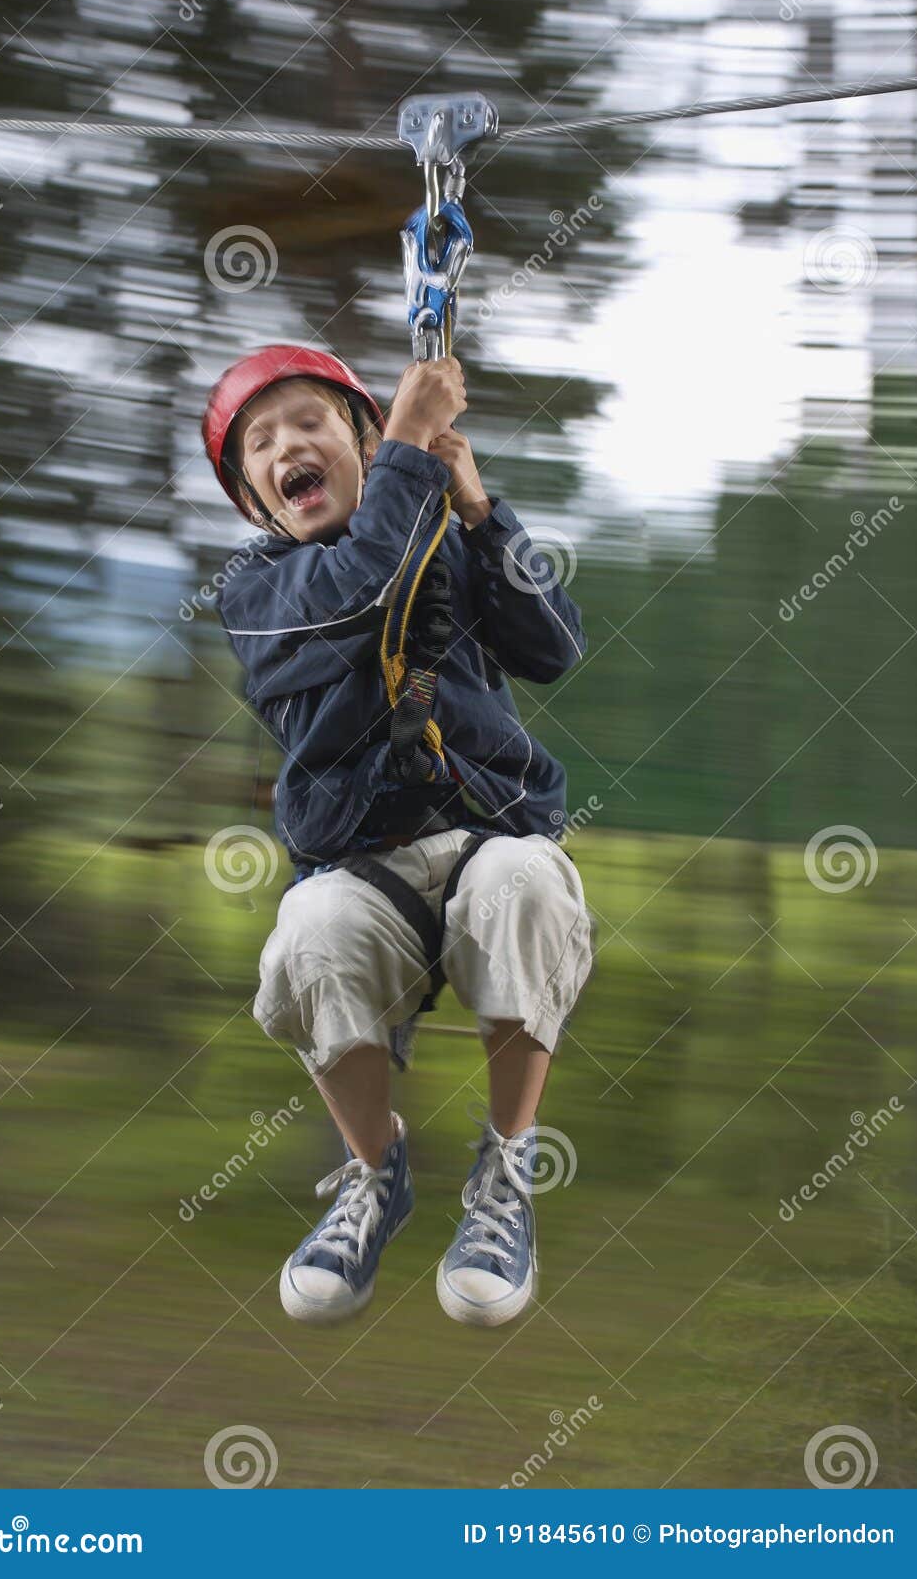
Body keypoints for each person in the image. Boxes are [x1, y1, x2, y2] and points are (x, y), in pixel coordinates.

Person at [203, 344, 593, 1328]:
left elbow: (552, 645)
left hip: (484, 838)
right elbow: (359, 595)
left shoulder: (444, 537)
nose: (287, 444)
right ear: (255, 500)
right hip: (359, 870)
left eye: (309, 424)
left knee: (528, 883)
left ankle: (504, 1177)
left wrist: (478, 510)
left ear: (361, 447)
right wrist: (413, 452)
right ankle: (374, 1176)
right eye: (262, 442)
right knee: (308, 932)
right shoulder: (257, 594)